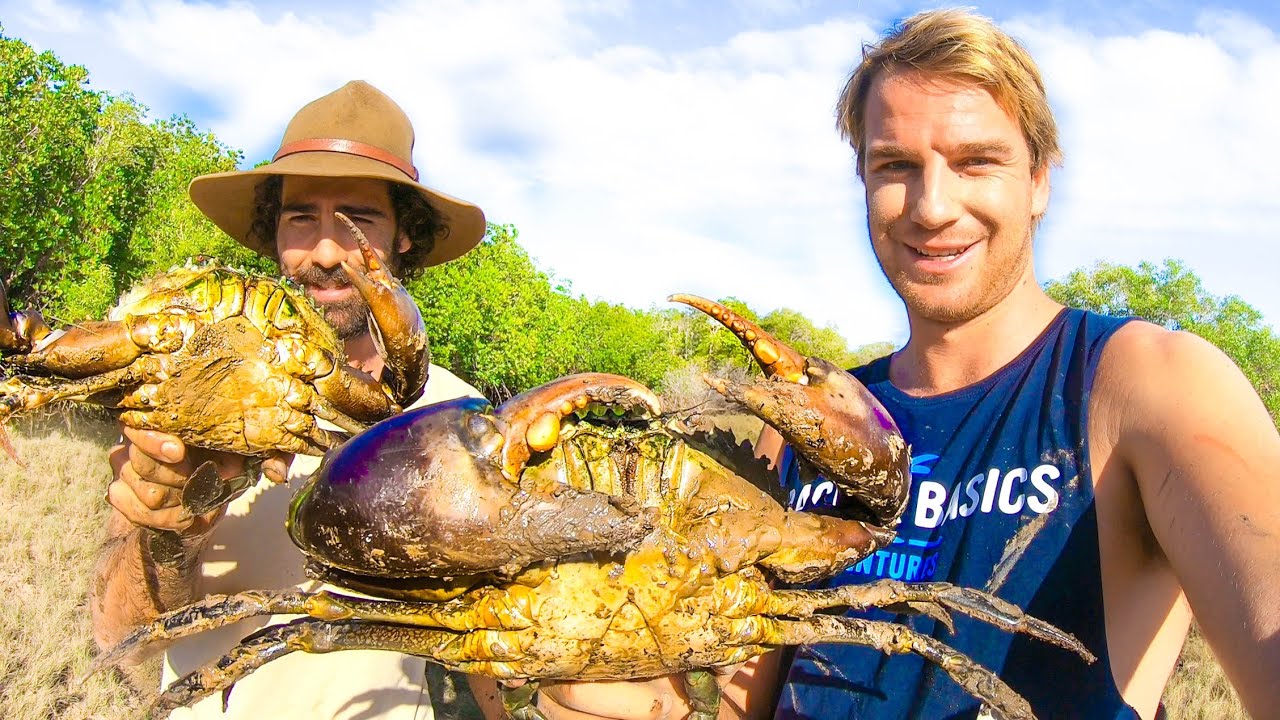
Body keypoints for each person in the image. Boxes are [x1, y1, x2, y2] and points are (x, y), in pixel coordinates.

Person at [525, 8, 1280, 720]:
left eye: (976, 161)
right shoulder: (802, 427)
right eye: (896, 165)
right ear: (863, 180)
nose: (932, 206)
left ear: (1040, 180)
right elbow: (743, 700)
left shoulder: (1142, 385)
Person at [90, 80, 494, 719]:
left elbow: (491, 629)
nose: (326, 252)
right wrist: (169, 527)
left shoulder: (456, 418)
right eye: (301, 217)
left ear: (404, 236)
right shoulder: (194, 386)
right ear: (273, 232)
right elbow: (121, 637)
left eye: (359, 220)